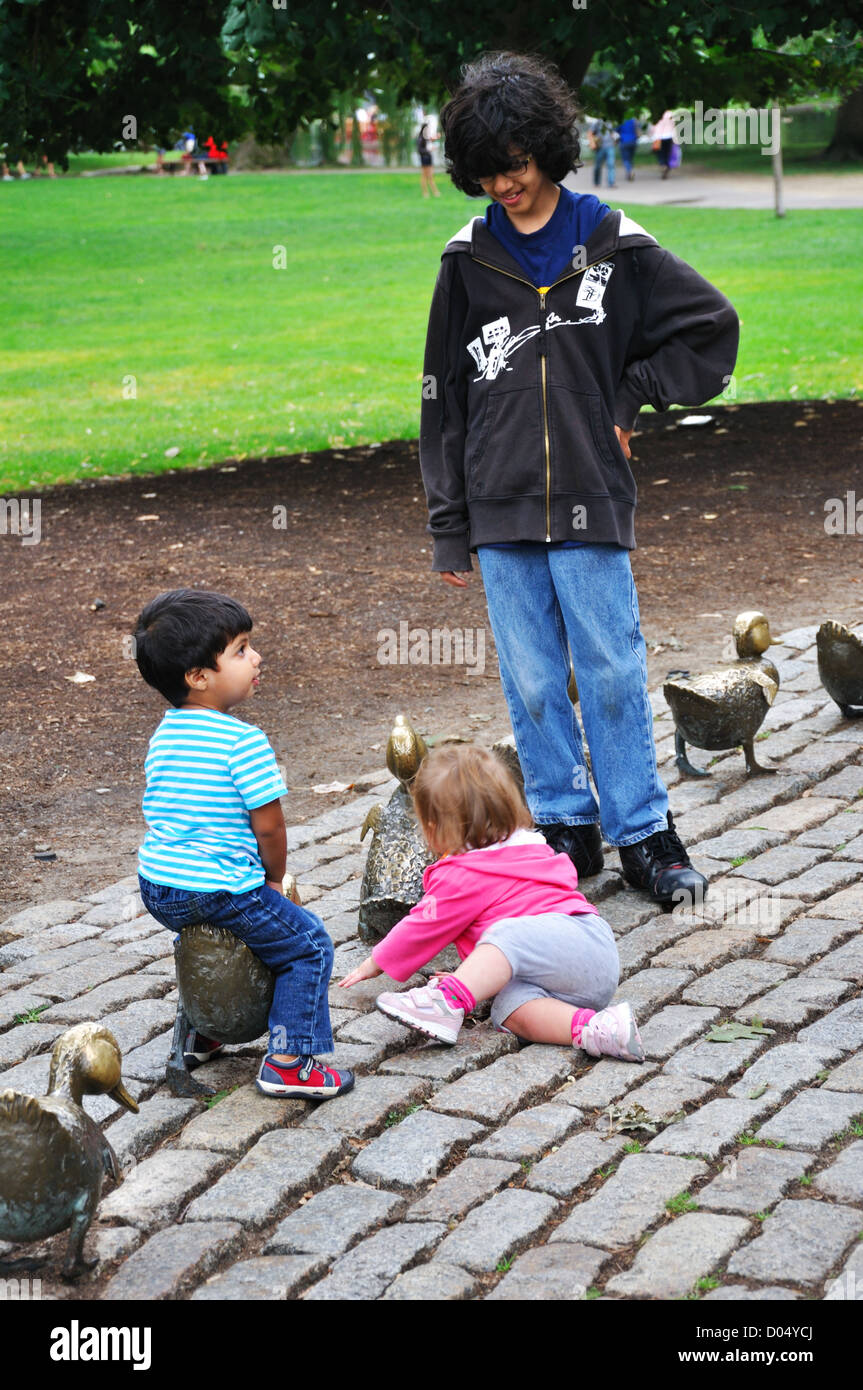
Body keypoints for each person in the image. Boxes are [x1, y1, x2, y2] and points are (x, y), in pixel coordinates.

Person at [419, 51, 739, 907]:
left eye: (514, 167)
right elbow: (441, 401)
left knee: (607, 667)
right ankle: (563, 829)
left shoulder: (613, 243)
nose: (502, 187)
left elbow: (710, 328)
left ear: (548, 151)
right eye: (484, 174)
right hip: (498, 504)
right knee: (529, 680)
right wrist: (450, 523)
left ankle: (644, 835)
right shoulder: (465, 261)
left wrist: (630, 399)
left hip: (593, 493)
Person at [133, 588, 354, 1100]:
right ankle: (288, 1060)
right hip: (218, 886)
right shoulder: (243, 741)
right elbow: (270, 827)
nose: (256, 658)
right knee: (308, 946)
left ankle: (203, 1031)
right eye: (241, 649)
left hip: (160, 885)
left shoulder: (163, 735)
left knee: (206, 939)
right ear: (198, 676)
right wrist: (273, 877)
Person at [340, 745, 644, 1058]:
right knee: (507, 1009)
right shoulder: (530, 848)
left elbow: (424, 923)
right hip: (585, 972)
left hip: (579, 939)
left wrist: (377, 960)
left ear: (433, 828)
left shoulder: (463, 873)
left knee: (506, 935)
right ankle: (597, 1029)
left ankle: (445, 1003)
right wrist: (472, 977)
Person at [589, 117, 617, 188]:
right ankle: (597, 182)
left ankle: (611, 182)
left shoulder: (611, 122)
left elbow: (613, 133)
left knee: (611, 164)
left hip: (610, 146)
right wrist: (592, 143)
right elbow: (590, 133)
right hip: (600, 147)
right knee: (598, 166)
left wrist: (615, 141)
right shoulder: (597, 122)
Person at [651, 110, 677, 179]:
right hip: (669, 138)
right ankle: (666, 165)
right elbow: (674, 130)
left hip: (659, 139)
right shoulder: (672, 121)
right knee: (667, 153)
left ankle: (663, 165)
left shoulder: (659, 121)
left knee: (660, 153)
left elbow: (654, 130)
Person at [417, 122, 440, 197]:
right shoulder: (421, 139)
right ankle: (428, 192)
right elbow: (420, 150)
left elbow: (431, 140)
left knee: (429, 176)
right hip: (425, 158)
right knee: (426, 176)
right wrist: (429, 150)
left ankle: (433, 192)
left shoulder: (426, 138)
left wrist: (436, 137)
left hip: (428, 158)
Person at [617, 115, 640, 181]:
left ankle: (629, 171)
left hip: (624, 142)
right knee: (630, 158)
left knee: (625, 159)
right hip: (633, 142)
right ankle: (630, 170)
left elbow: (616, 130)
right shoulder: (634, 120)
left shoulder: (621, 120)